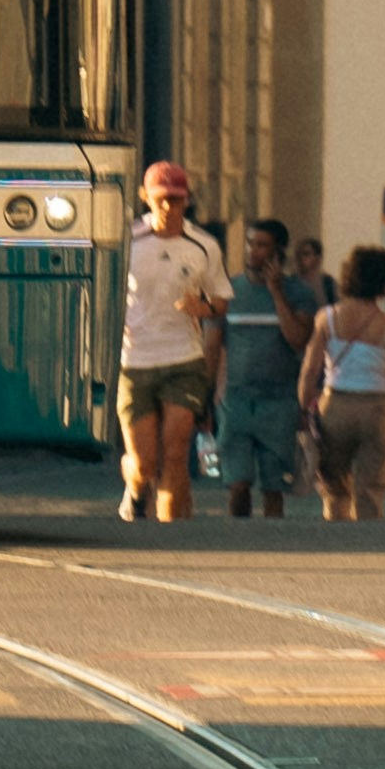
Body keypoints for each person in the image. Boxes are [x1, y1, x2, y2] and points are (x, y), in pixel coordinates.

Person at [108, 162, 230, 523]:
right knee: (144, 463)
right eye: (161, 200)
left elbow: (220, 300)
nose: (168, 208)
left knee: (176, 453)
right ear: (146, 198)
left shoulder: (203, 245)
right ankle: (134, 489)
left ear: (186, 201)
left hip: (183, 359)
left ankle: (170, 531)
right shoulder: (127, 240)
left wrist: (201, 306)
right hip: (134, 361)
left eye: (176, 200)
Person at [213, 216, 312, 517]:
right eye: (250, 244)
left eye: (262, 245)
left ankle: (270, 545)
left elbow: (298, 340)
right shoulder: (229, 290)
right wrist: (208, 395)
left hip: (279, 402)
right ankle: (236, 544)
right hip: (236, 400)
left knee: (273, 486)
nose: (253, 251)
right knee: (238, 483)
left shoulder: (299, 293)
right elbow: (213, 344)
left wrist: (277, 292)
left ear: (278, 251)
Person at [309, 239, 385, 521]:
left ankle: (336, 546)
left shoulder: (327, 319)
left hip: (335, 408)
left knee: (334, 487)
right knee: (371, 489)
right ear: (384, 281)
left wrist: (305, 410)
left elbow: (309, 371)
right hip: (377, 411)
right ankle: (369, 546)